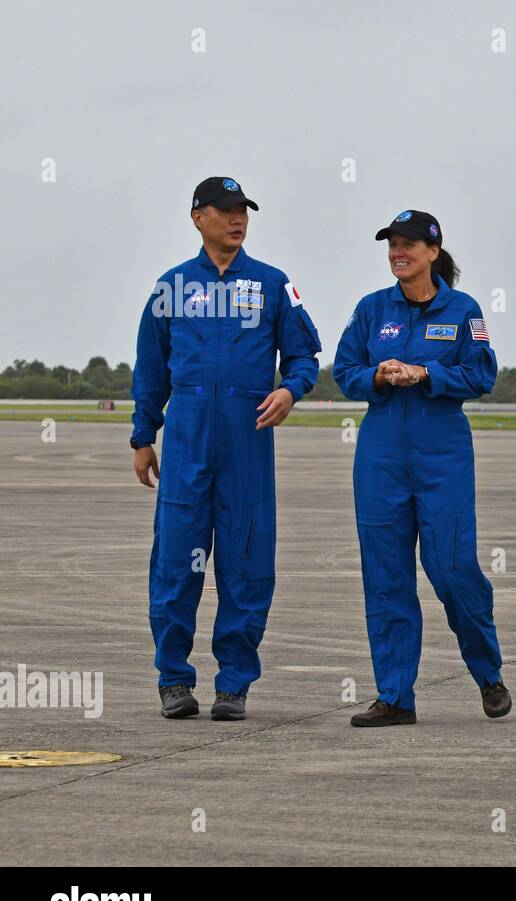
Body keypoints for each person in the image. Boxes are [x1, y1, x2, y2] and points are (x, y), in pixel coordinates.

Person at [132, 176, 321, 720]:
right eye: (225, 210)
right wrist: (143, 435)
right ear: (198, 217)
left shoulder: (272, 284)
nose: (237, 219)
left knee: (247, 564)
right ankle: (173, 679)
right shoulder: (170, 287)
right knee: (175, 566)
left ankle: (234, 683)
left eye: (243, 211)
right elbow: (150, 370)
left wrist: (290, 388)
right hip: (188, 439)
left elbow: (304, 355)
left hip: (248, 441)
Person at [333, 209, 510, 727]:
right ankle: (395, 696)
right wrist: (381, 376)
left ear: (433, 251)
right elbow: (345, 371)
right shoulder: (370, 310)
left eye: (408, 245)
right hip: (381, 459)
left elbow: (482, 374)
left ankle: (488, 675)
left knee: (454, 570)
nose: (397, 253)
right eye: (391, 245)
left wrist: (426, 373)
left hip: (442, 458)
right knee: (386, 579)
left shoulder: (463, 311)